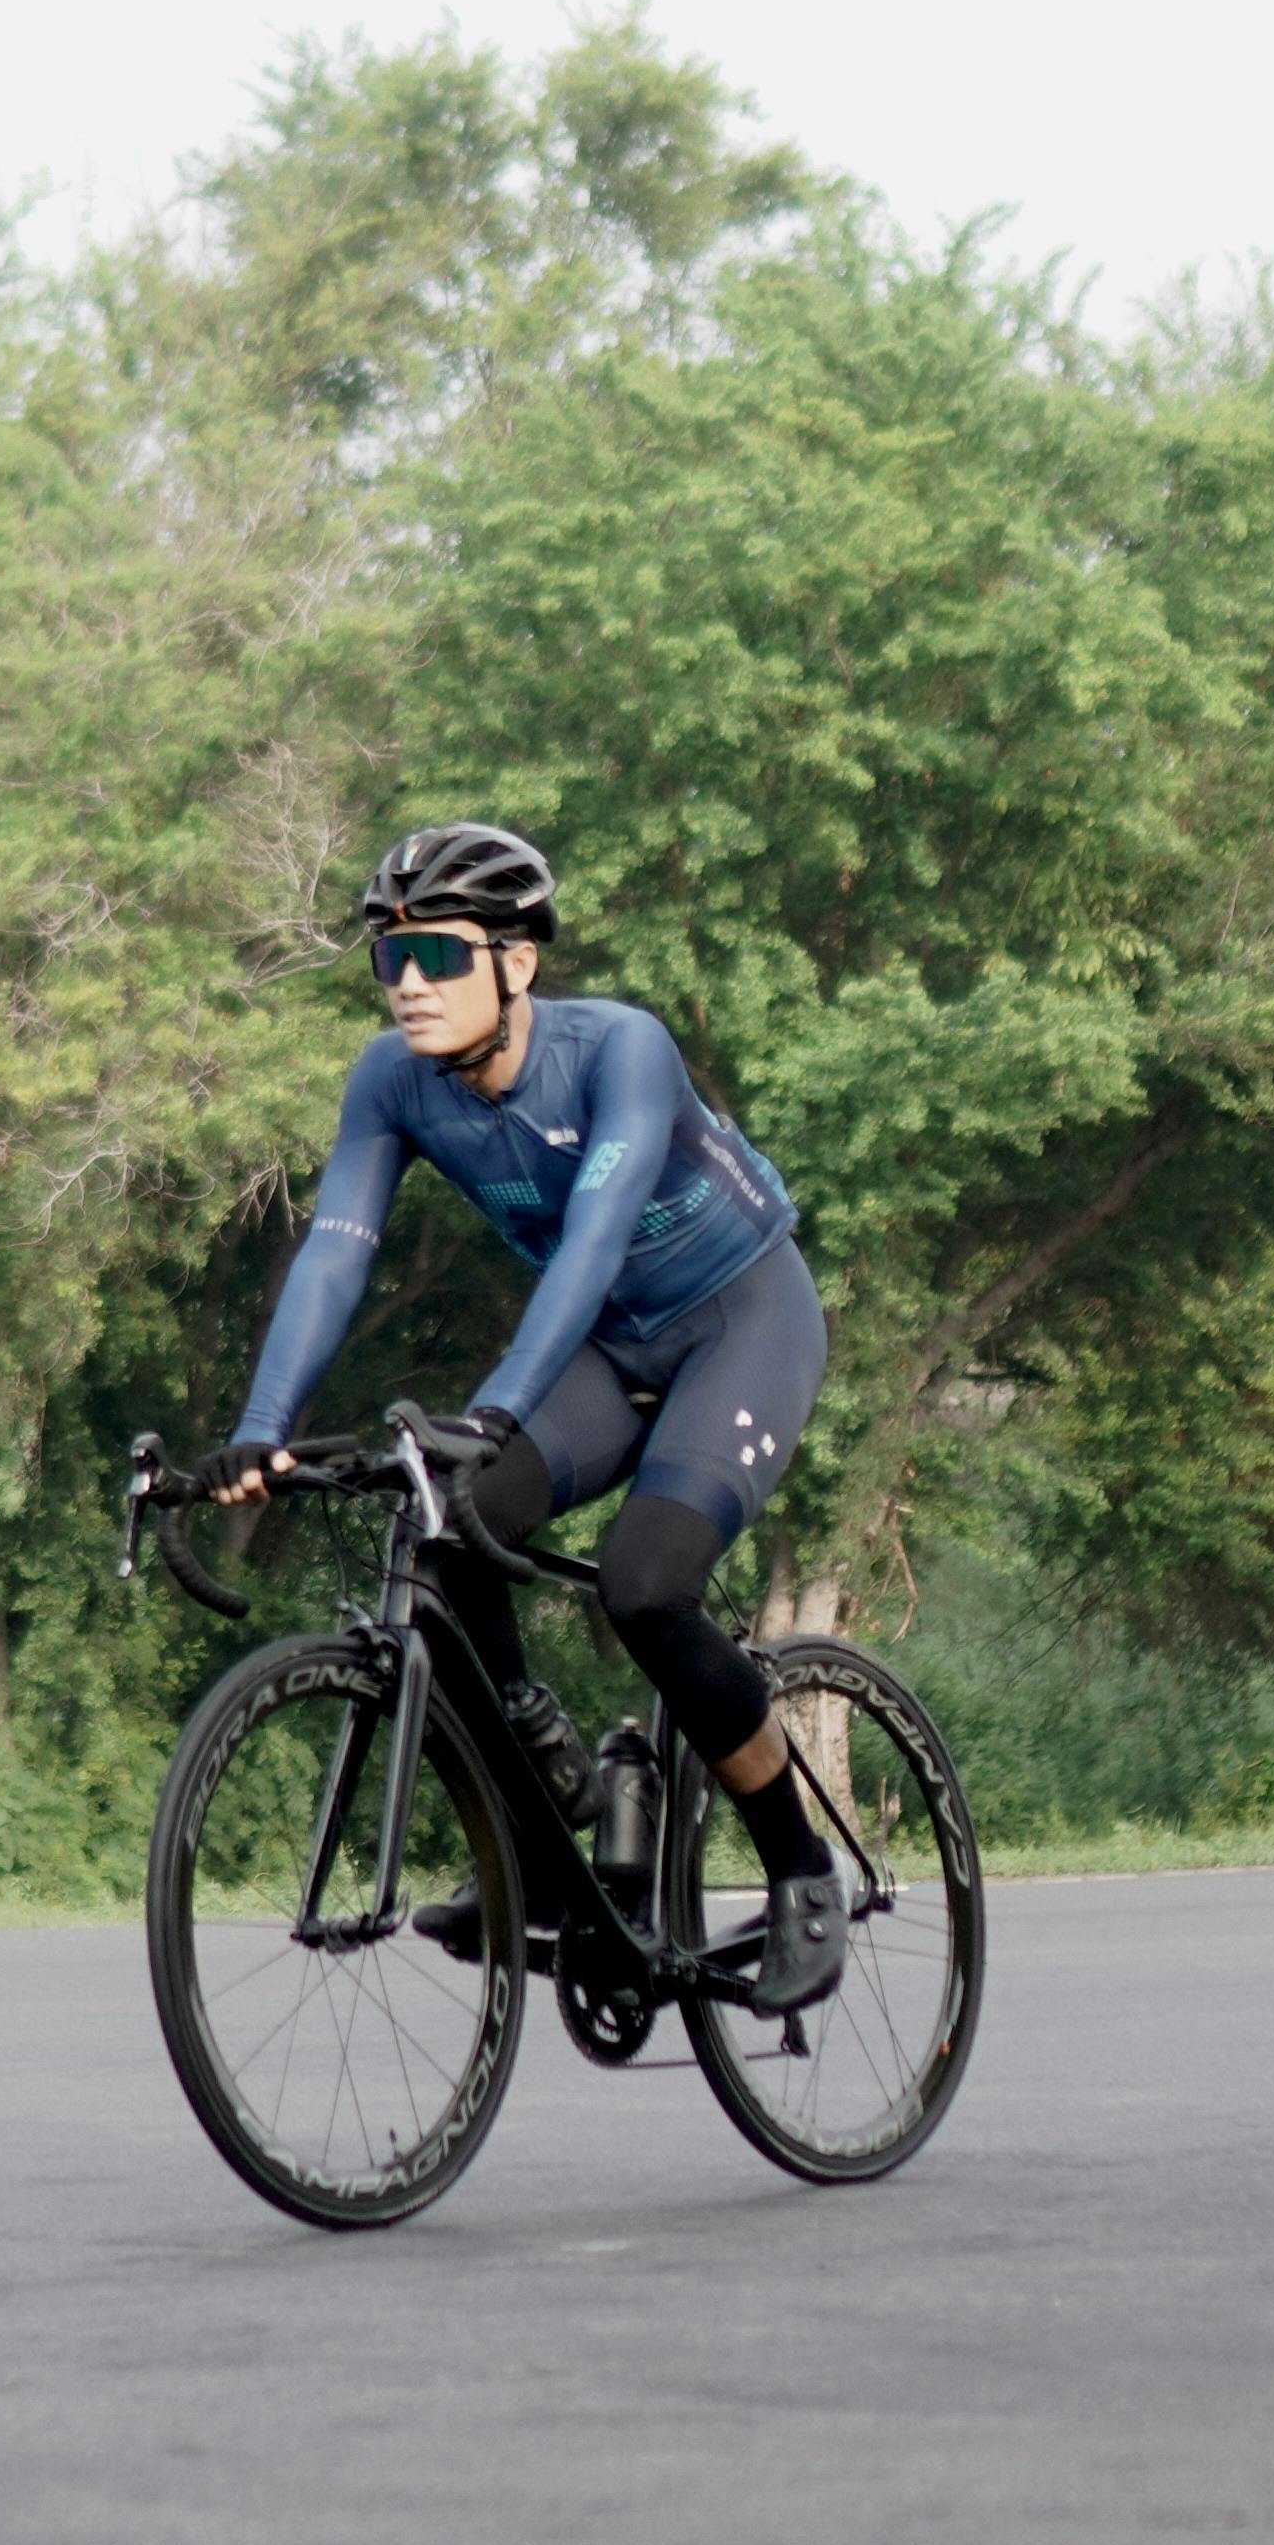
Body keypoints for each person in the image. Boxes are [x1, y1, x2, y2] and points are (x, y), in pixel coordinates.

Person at [209, 820, 847, 2011]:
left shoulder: (622, 1052)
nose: (407, 985)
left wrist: (496, 1407)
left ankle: (799, 1870)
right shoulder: (390, 1082)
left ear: (517, 962)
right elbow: (337, 1253)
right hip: (609, 1341)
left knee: (644, 1584)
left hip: (738, 1322)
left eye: (439, 956)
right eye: (386, 958)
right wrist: (262, 1422)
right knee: (444, 1530)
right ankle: (548, 1824)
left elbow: (594, 1240)